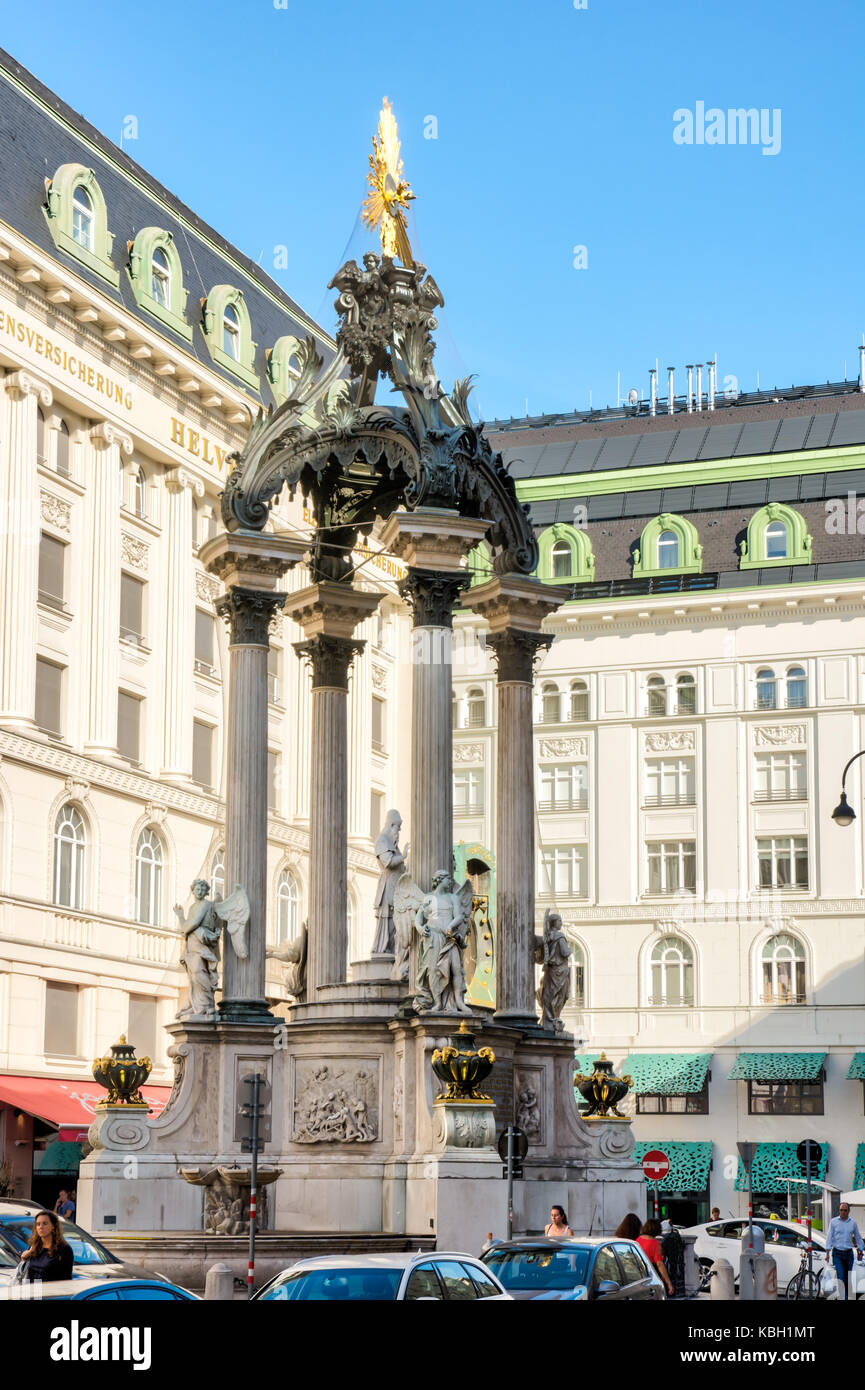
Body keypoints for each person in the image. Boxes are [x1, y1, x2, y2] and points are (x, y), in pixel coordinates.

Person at [17, 1210, 73, 1283]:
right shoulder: (34, 1245)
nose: (41, 1227)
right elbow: (27, 1273)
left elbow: (67, 1279)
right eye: (38, 1224)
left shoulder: (64, 1249)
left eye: (45, 1223)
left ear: (53, 1226)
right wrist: (24, 1259)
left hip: (50, 1292)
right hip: (31, 1292)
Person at [825, 1201, 864, 1300]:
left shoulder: (852, 1223)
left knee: (847, 1278)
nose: (843, 1212)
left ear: (848, 1211)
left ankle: (845, 1297)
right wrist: (827, 1253)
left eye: (845, 1210)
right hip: (837, 1253)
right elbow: (829, 1237)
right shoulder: (833, 1222)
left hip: (849, 1254)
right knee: (841, 1278)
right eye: (841, 1210)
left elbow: (858, 1238)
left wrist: (860, 1249)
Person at [637, 1218, 674, 1296]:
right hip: (651, 1275)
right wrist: (669, 1283)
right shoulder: (655, 1243)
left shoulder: (637, 1240)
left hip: (639, 1274)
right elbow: (659, 1264)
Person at [661, 1218, 686, 1298]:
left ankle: (671, 1293)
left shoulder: (666, 1239)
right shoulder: (676, 1235)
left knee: (670, 1276)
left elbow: (663, 1253)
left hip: (670, 1262)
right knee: (677, 1276)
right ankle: (678, 1292)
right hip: (678, 1262)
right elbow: (682, 1247)